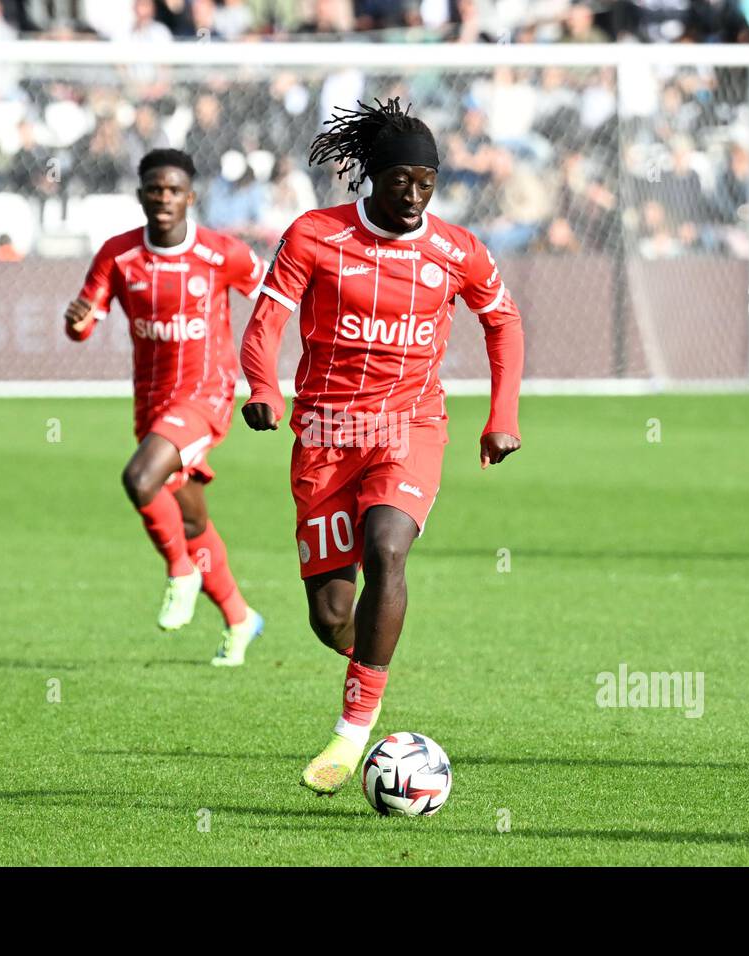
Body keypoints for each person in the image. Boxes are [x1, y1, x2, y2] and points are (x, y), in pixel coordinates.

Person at [238, 99, 524, 794]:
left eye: (427, 183)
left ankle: (351, 733)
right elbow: (267, 318)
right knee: (332, 616)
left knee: (387, 548)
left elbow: (504, 324)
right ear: (372, 178)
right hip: (326, 437)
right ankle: (368, 656)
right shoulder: (315, 235)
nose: (415, 196)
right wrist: (263, 390)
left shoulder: (456, 250)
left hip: (409, 428)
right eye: (402, 182)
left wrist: (501, 416)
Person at [63, 149, 266, 666]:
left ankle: (180, 572)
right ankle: (241, 618)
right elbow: (85, 324)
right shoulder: (119, 255)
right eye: (155, 190)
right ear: (141, 196)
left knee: (139, 479)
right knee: (191, 516)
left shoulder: (222, 254)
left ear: (190, 197)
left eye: (174, 190)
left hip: (206, 395)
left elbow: (273, 295)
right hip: (152, 402)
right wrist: (77, 319)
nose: (164, 199)